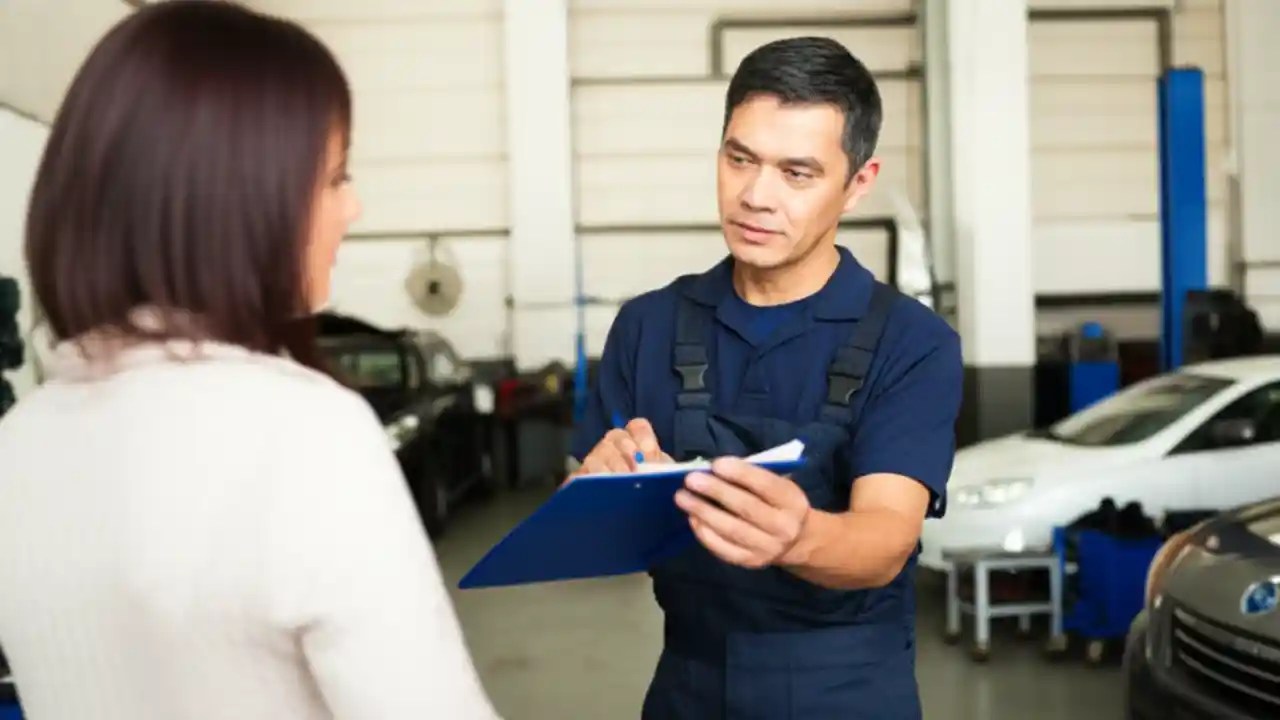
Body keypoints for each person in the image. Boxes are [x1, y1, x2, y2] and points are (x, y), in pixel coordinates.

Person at [0, 3, 499, 719]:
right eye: (335, 177)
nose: (353, 208)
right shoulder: (303, 431)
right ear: (237, 197)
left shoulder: (21, 439)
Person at [569, 37, 963, 719]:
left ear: (858, 183)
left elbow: (885, 539)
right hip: (686, 687)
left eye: (796, 173)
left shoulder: (912, 343)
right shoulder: (647, 326)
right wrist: (593, 496)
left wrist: (798, 537)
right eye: (739, 159)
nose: (755, 196)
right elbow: (586, 535)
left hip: (846, 692)